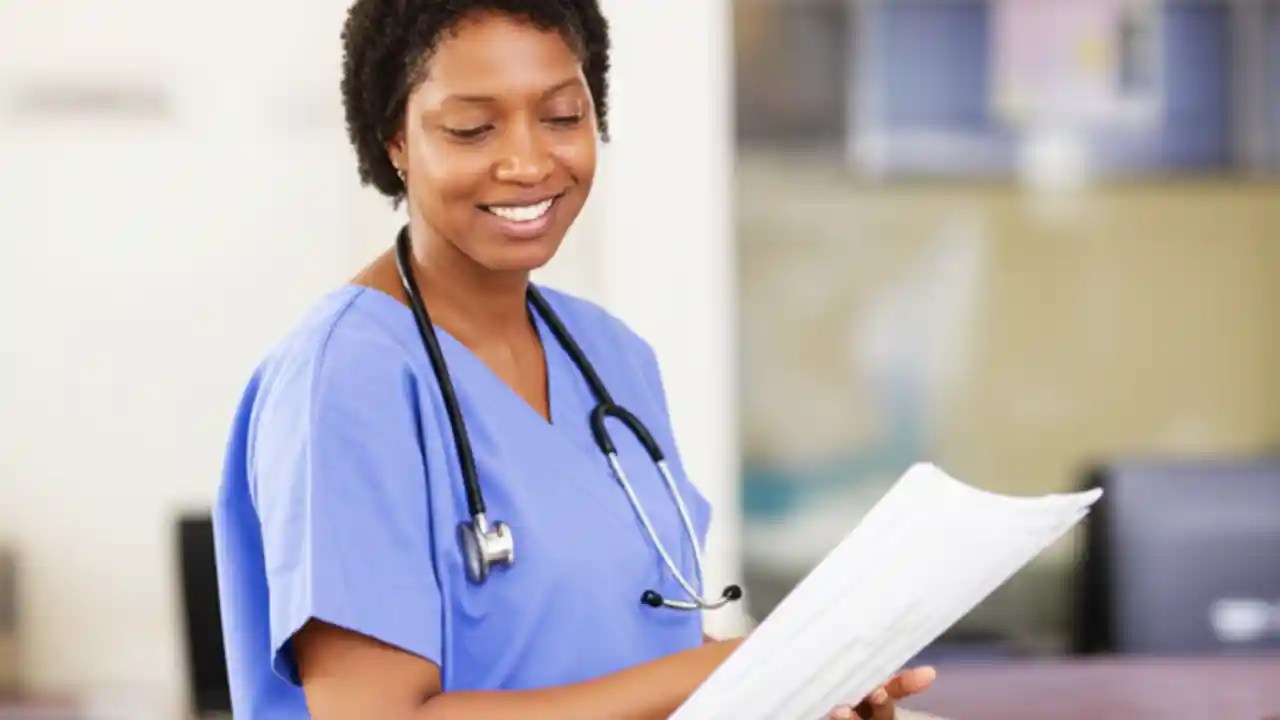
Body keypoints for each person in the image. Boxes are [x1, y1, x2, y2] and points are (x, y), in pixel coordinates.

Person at [212, 1, 939, 718]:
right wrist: (723, 669)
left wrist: (798, 686)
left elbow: (629, 658)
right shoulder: (348, 378)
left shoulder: (612, 359)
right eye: (471, 128)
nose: (528, 162)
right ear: (394, 140)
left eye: (562, 117)